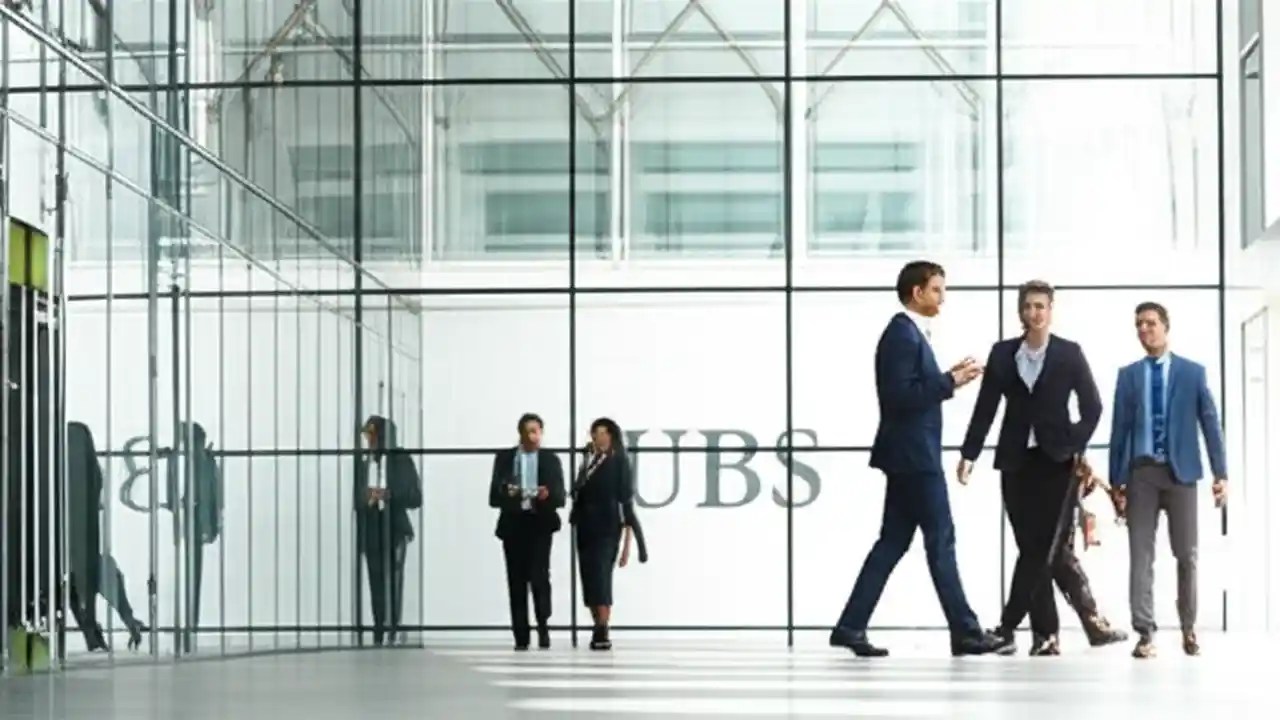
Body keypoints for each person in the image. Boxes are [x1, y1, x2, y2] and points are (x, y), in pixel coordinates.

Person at [830, 261, 1011, 657]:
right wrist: (950, 382)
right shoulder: (902, 335)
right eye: (936, 289)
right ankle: (965, 631)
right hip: (914, 457)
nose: (942, 297)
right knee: (940, 540)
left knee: (892, 542)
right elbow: (900, 398)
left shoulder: (909, 335)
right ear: (917, 293)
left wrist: (947, 376)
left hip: (909, 455)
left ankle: (850, 625)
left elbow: (912, 389)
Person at [957, 280, 1126, 655]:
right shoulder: (1003, 354)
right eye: (1028, 306)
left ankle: (1009, 628)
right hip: (1015, 462)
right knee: (1034, 548)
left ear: (1051, 310)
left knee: (1041, 550)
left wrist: (1073, 443)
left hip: (1056, 463)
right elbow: (986, 408)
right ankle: (1065, 630)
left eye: (1041, 306)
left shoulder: (1068, 353)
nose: (1034, 313)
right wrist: (969, 454)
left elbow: (1093, 407)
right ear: (1021, 311)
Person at [1108, 301, 1227, 658]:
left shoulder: (1192, 373)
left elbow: (1210, 425)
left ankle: (1189, 629)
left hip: (1181, 475)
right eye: (1139, 325)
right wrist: (1116, 480)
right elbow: (1120, 430)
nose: (1145, 330)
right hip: (1141, 474)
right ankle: (1145, 633)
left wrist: (1221, 474)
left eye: (1151, 323)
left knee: (1187, 555)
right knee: (1140, 556)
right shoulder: (1128, 375)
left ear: (1166, 326)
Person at [488, 413, 566, 651]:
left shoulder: (551, 460)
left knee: (540, 577)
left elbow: (561, 497)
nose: (533, 436)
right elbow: (493, 497)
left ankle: (543, 626)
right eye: (528, 432)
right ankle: (520, 634)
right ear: (520, 433)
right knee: (516, 580)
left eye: (536, 431)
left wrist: (547, 494)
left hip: (540, 524)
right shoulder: (505, 459)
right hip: (513, 524)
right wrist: (508, 493)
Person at [570, 417, 647, 651]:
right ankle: (597, 624)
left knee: (601, 576)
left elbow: (626, 504)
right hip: (585, 527)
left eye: (602, 433)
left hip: (607, 527)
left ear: (612, 436)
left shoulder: (619, 461)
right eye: (595, 433)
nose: (598, 438)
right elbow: (577, 490)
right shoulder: (589, 461)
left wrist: (628, 545)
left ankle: (603, 627)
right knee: (589, 578)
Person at [356, 415, 422, 646]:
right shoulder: (363, 462)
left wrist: (388, 494)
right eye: (367, 435)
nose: (369, 440)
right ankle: (378, 628)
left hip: (394, 528)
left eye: (372, 435)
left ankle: (392, 627)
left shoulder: (400, 459)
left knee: (393, 580)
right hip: (372, 528)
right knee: (375, 582)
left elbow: (415, 497)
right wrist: (366, 497)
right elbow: (355, 500)